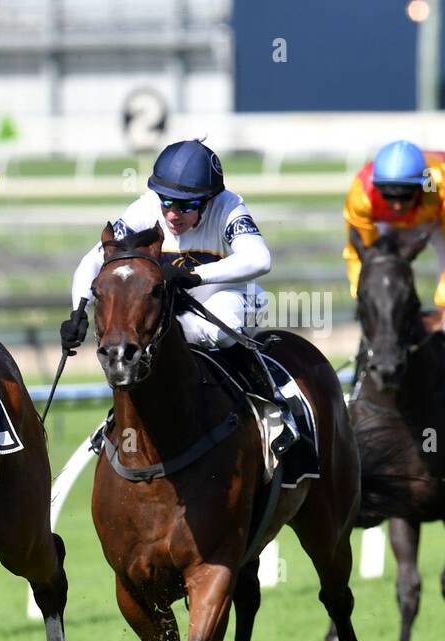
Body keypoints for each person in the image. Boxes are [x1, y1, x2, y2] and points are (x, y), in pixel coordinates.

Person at [62, 139, 297, 455]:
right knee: (138, 339)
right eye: (167, 202)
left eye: (186, 206)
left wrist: (197, 276)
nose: (173, 215)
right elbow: (95, 259)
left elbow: (259, 259)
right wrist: (79, 309)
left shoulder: (229, 208)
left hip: (233, 298)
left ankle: (276, 409)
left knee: (215, 331)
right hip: (177, 307)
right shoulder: (145, 209)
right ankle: (122, 418)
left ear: (209, 200)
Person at [343, 139, 445, 342]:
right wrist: (364, 295)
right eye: (388, 195)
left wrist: (444, 307)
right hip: (387, 220)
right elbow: (359, 255)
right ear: (378, 187)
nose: (397, 206)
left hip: (439, 218)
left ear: (423, 185)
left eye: (405, 195)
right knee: (379, 285)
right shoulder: (361, 194)